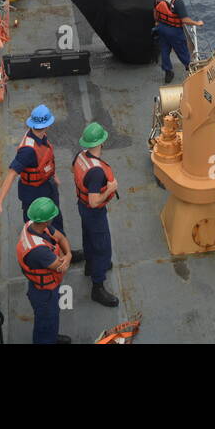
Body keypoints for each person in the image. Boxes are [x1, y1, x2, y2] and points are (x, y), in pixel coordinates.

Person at [0, 105, 80, 254]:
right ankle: (47, 256)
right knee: (38, 226)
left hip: (47, 185)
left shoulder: (40, 136)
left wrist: (53, 175)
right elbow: (12, 173)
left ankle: (63, 251)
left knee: (55, 219)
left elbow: (46, 159)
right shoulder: (27, 150)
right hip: (34, 193)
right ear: (48, 125)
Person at [72, 121, 120, 308]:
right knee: (102, 247)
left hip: (82, 207)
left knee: (88, 236)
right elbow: (94, 201)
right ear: (101, 143)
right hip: (94, 211)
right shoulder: (97, 172)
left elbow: (74, 171)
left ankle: (90, 265)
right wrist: (110, 190)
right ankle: (97, 287)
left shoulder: (80, 156)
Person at [16, 197, 73, 344]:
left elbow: (61, 238)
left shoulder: (32, 224)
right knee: (46, 322)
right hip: (44, 292)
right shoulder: (39, 251)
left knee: (51, 319)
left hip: (41, 287)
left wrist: (68, 255)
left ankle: (52, 337)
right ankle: (47, 339)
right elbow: (61, 267)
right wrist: (66, 257)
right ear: (47, 221)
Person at [154, 0, 203, 84]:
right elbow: (185, 20)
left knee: (165, 51)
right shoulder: (177, 1)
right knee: (182, 51)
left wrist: (157, 22)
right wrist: (197, 23)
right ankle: (190, 69)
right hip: (174, 31)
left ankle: (168, 72)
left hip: (161, 28)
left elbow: (155, 10)